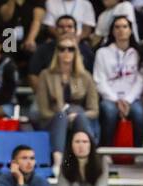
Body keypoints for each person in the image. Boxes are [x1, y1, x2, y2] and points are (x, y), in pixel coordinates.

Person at [32, 36, 99, 170]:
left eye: (71, 49)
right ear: (57, 52)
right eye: (62, 49)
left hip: (78, 117)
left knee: (80, 116)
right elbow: (43, 109)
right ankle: (58, 162)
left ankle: (90, 160)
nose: (66, 52)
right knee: (61, 117)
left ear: (76, 53)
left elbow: (94, 110)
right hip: (52, 118)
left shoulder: (84, 76)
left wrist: (74, 116)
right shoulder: (46, 75)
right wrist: (62, 114)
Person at [94, 14, 143, 147]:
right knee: (109, 112)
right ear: (112, 31)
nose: (121, 30)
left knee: (139, 113)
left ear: (130, 30)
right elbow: (99, 80)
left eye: (125, 26)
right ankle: (106, 151)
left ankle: (138, 152)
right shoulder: (102, 52)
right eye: (117, 27)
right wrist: (115, 99)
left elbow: (140, 81)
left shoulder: (138, 53)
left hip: (132, 98)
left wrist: (127, 100)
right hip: (110, 98)